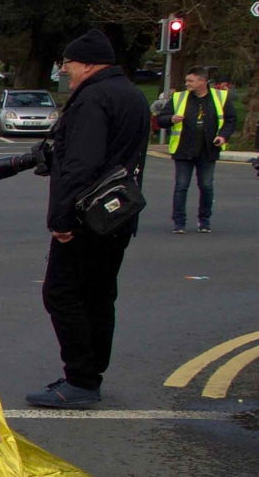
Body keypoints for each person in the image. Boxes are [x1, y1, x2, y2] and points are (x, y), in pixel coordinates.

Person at [27, 29, 151, 410]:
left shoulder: (93, 98)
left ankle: (80, 378)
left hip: (86, 218)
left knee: (62, 293)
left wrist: (61, 220)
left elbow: (81, 164)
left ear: (87, 63)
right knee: (99, 295)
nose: (65, 71)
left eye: (68, 64)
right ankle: (91, 371)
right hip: (118, 214)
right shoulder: (131, 95)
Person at [156, 66, 236, 234]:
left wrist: (222, 136)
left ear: (202, 81)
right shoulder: (179, 98)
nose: (187, 84)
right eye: (186, 80)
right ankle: (179, 222)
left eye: (190, 81)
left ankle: (204, 221)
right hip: (183, 150)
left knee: (206, 186)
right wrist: (171, 118)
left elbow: (230, 120)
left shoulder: (220, 97)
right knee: (181, 186)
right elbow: (161, 119)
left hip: (208, 150)